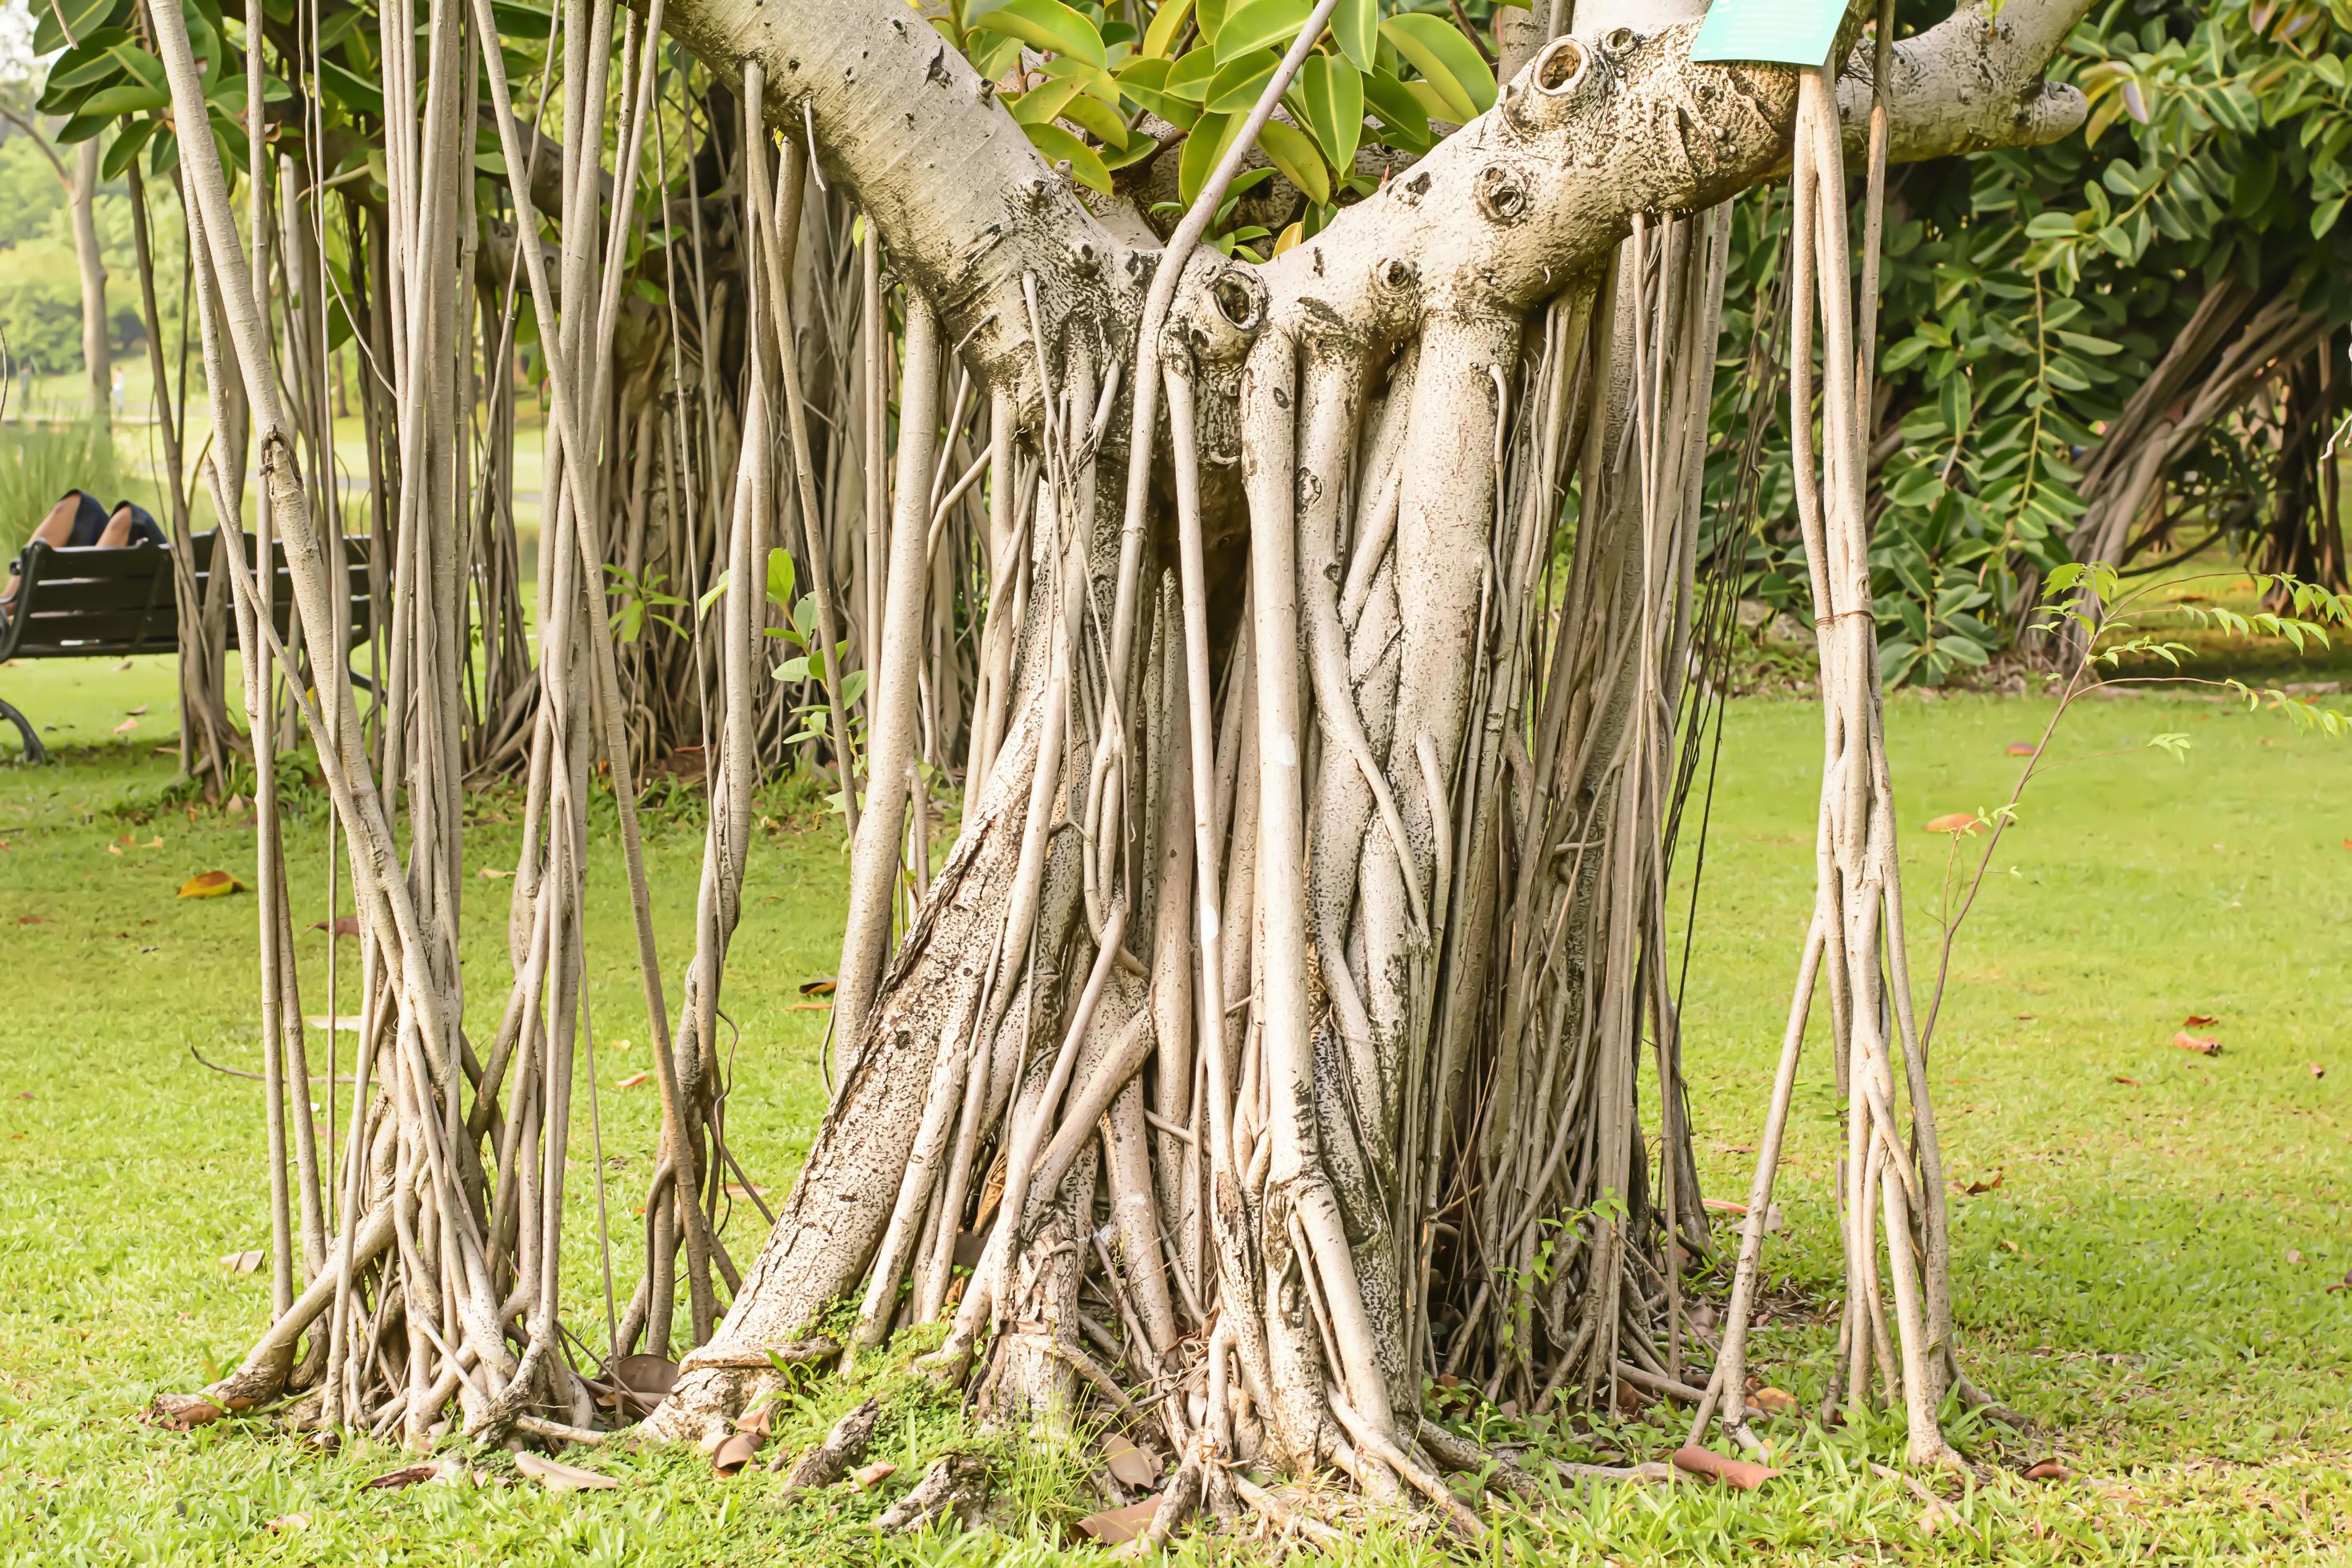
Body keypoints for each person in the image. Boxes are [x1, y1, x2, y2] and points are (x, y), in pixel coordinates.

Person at [2, 490, 166, 610]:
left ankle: (68, 611)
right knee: (75, 504)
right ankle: (6, 604)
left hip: (143, 597)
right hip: (120, 589)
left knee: (126, 519)